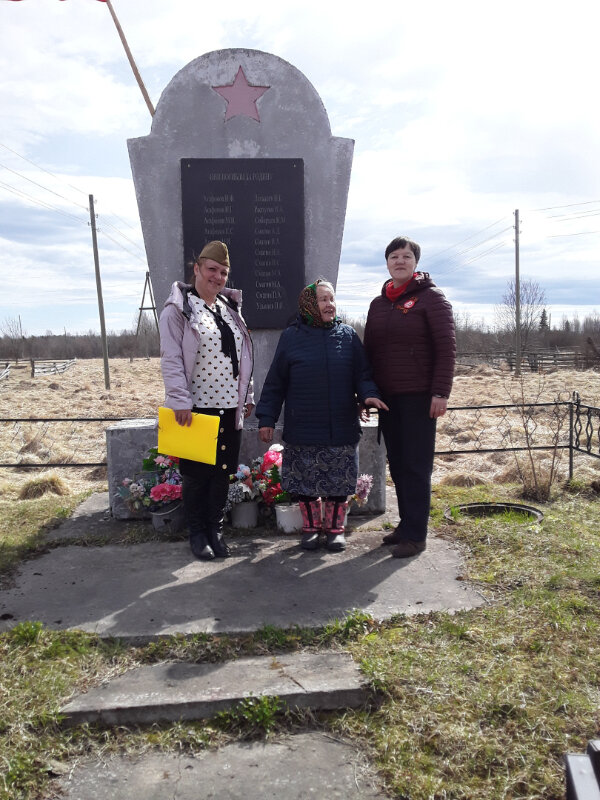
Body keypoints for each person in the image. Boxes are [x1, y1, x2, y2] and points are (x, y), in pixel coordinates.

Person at [256, 279, 387, 552]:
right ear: (309, 305)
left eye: (332, 299)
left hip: (340, 425)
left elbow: (361, 375)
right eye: (323, 299)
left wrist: (368, 395)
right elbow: (275, 382)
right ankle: (311, 529)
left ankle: (336, 530)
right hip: (303, 426)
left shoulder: (348, 336)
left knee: (339, 480)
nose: (330, 304)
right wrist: (266, 418)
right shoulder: (291, 337)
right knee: (305, 482)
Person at [159, 241, 254, 560]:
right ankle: (197, 534)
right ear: (196, 269)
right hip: (195, 408)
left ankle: (215, 531)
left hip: (230, 408)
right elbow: (171, 358)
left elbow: (242, 357)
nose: (217, 276)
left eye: (223, 272)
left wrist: (248, 395)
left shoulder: (230, 309)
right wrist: (179, 400)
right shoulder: (178, 309)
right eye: (212, 269)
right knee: (196, 475)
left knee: (221, 474)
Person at [364, 236, 455, 558]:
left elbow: (446, 349)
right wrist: (367, 394)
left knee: (416, 466)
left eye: (406, 256)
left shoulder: (432, 299)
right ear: (387, 263)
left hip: (419, 397)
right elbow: (370, 352)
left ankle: (416, 536)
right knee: (399, 465)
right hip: (389, 399)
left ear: (415, 262)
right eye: (394, 256)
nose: (400, 261)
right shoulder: (379, 304)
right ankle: (405, 525)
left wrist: (440, 393)